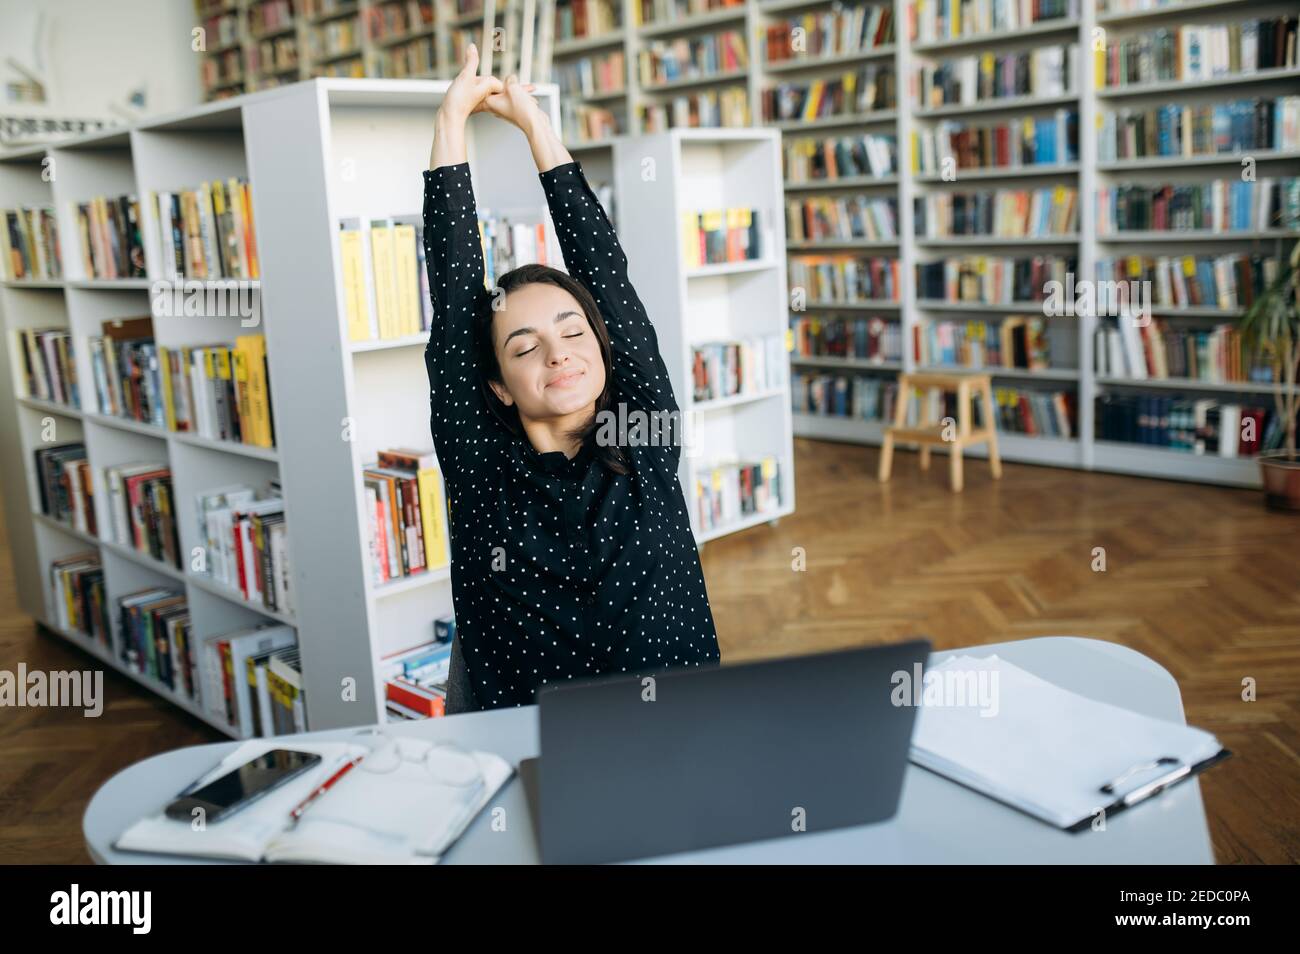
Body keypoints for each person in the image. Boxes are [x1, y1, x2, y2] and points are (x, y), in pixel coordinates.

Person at [424, 43, 722, 713]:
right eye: (524, 347)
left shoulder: (644, 437)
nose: (557, 354)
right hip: (531, 758)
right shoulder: (481, 473)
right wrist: (451, 126)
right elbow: (452, 303)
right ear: (496, 384)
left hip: (683, 735)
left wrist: (537, 128)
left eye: (572, 331)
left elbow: (605, 276)